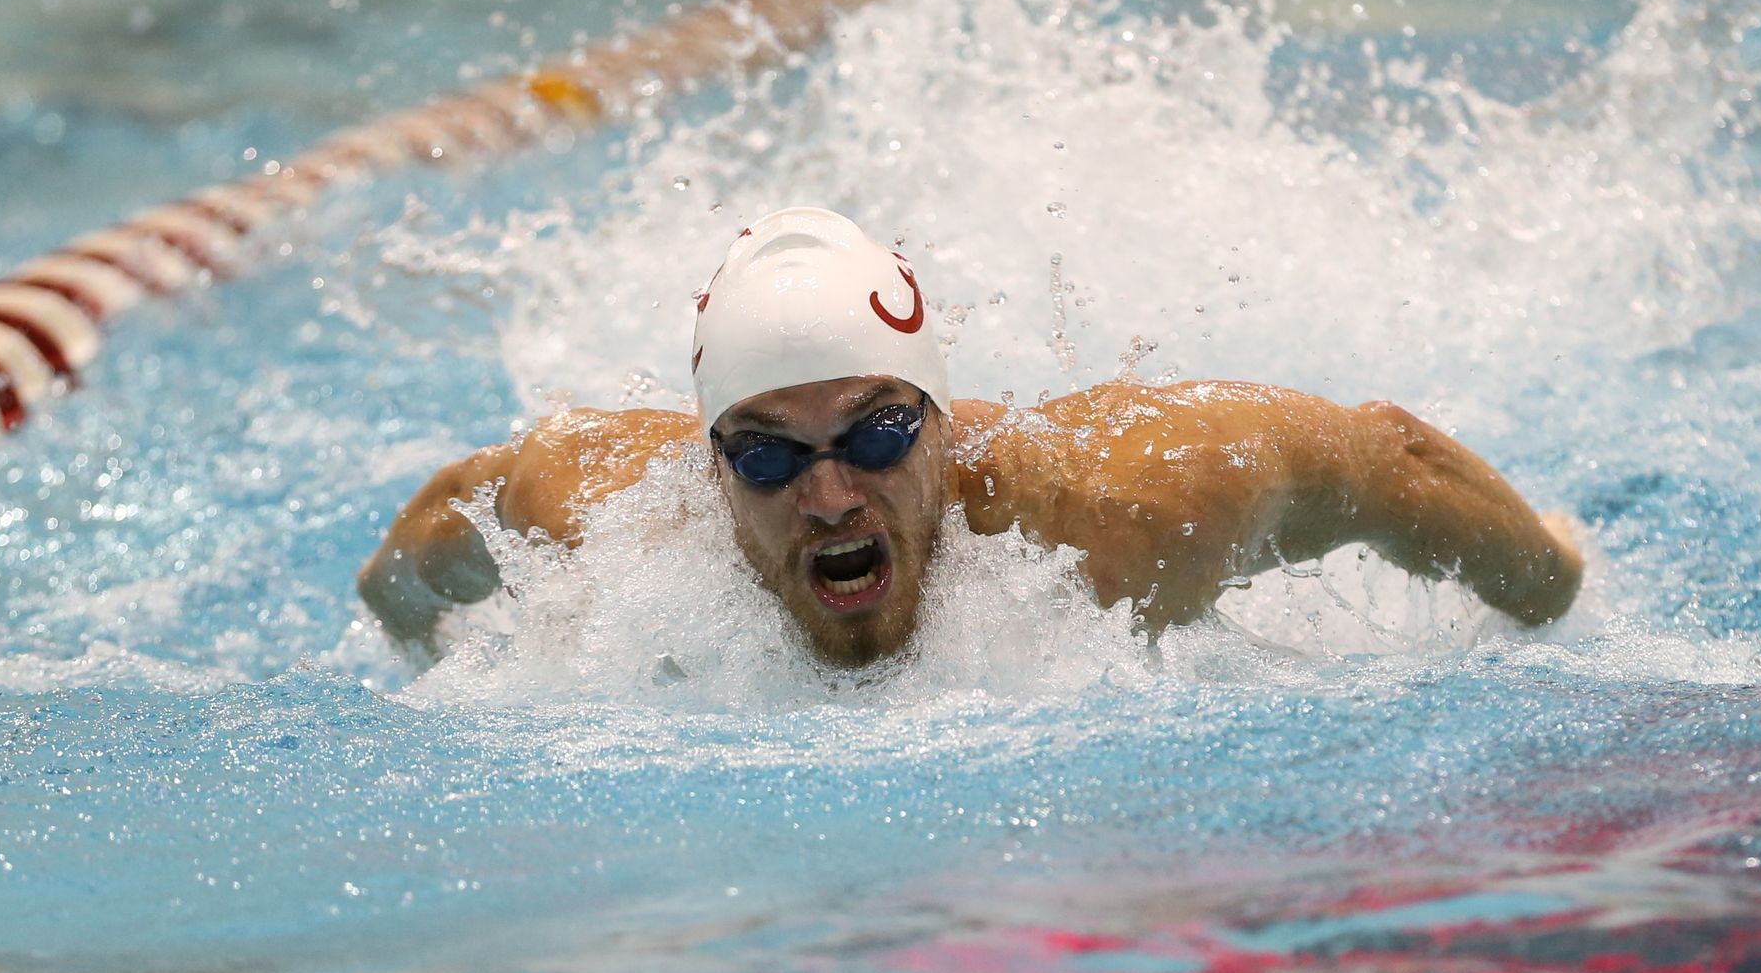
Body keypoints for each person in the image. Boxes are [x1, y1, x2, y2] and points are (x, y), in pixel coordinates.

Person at [358, 206, 1583, 663]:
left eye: (876, 435)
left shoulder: (1127, 508)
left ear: (944, 426)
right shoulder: (610, 511)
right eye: (768, 455)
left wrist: (1551, 584)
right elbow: (421, 547)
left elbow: (1385, 457)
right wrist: (414, 650)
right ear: (712, 464)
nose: (829, 495)